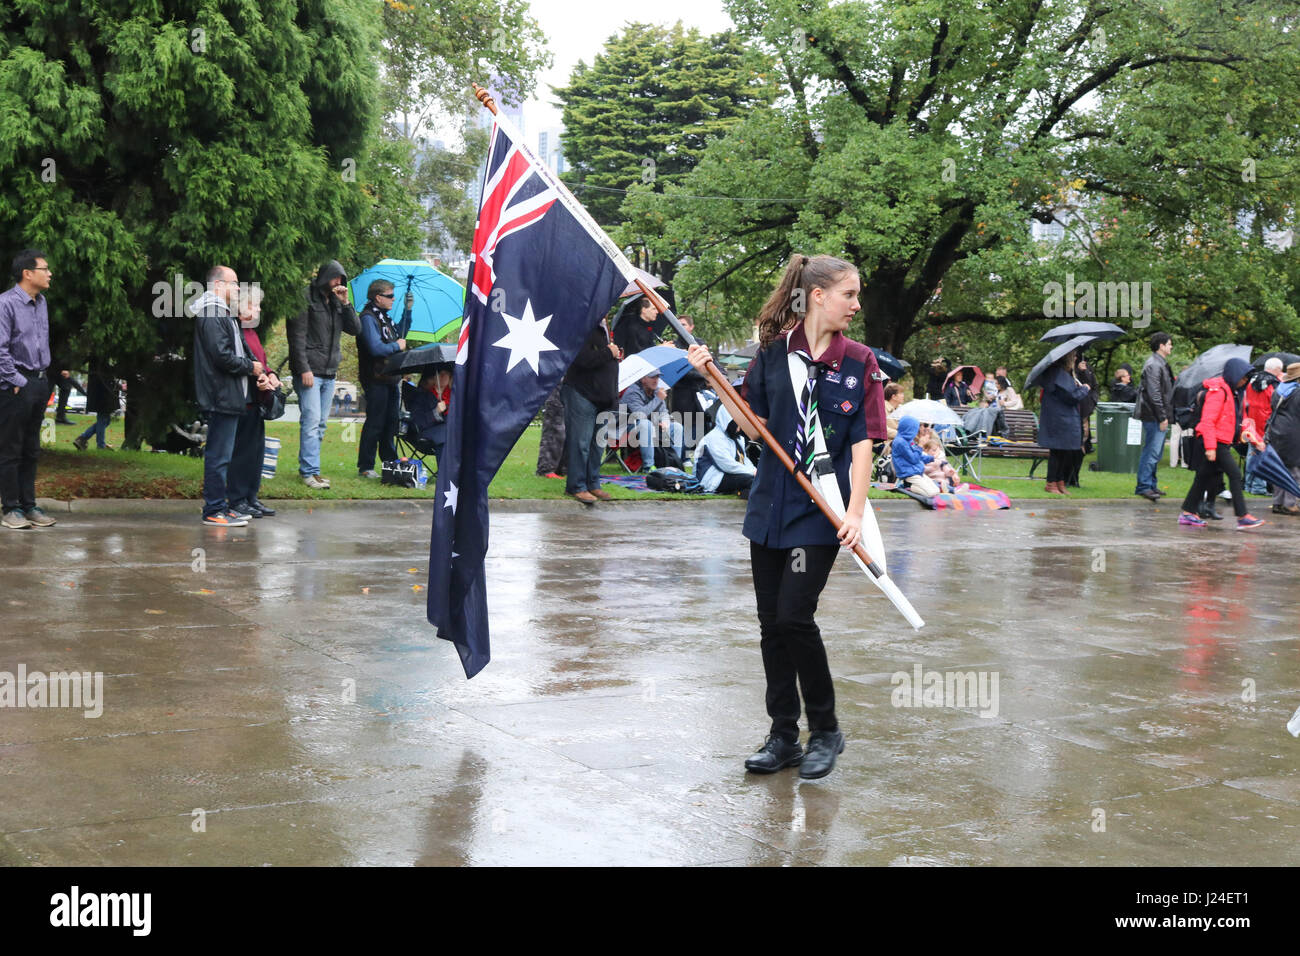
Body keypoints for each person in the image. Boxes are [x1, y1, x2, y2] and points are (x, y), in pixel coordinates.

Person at [685, 253, 887, 780]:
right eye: (849, 294)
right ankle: (782, 735)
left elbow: (864, 441)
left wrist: (857, 512)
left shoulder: (860, 361)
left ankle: (826, 730)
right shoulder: (774, 355)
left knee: (796, 617)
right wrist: (711, 378)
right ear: (818, 295)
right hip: (769, 506)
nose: (856, 305)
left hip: (821, 510)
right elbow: (755, 430)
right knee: (772, 626)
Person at [191, 265, 260, 527]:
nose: (238, 288)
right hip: (220, 395)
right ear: (218, 285)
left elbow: (240, 349)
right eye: (234, 283)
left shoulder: (223, 313)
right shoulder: (211, 312)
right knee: (218, 457)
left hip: (230, 395)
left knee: (225, 455)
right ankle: (213, 510)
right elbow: (221, 356)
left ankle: (222, 506)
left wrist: (257, 370)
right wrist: (248, 367)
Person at [287, 260, 359, 489]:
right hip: (310, 371)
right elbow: (296, 337)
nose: (339, 283)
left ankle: (312, 470)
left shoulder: (337, 302)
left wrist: (346, 304)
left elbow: (356, 329)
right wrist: (303, 369)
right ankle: (309, 472)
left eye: (342, 280)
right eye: (336, 278)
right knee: (310, 421)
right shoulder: (305, 297)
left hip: (329, 371)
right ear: (326, 276)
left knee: (320, 424)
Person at [0, 249, 56, 529]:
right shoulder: (6, 304)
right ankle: (11, 508)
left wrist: (41, 381)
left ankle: (29, 505)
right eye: (44, 269)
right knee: (11, 448)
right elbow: (0, 350)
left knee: (31, 448)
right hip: (15, 384)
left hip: (39, 381)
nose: (49, 274)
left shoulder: (42, 302)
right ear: (27, 273)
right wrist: (18, 381)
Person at [1178, 357, 1264, 529]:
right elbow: (1207, 421)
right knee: (1234, 474)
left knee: (1202, 478)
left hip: (1220, 442)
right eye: (1243, 377)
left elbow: (1242, 420)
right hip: (1214, 442)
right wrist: (1210, 447)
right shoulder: (1219, 392)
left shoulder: (1233, 393)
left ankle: (1187, 513)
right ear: (1234, 374)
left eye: (1247, 378)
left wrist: (1256, 440)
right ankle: (1242, 516)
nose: (1245, 381)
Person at [227, 287, 279, 519]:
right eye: (254, 305)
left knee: (256, 452)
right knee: (242, 453)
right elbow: (241, 362)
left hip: (258, 400)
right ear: (241, 309)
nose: (258, 309)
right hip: (244, 400)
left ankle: (251, 496)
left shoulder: (251, 332)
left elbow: (260, 360)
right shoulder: (236, 331)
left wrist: (271, 373)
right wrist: (258, 376)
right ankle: (237, 499)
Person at [355, 279, 409, 478]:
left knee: (391, 422)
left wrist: (408, 310)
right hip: (375, 378)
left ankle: (390, 463)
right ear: (378, 297)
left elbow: (400, 333)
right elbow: (376, 348)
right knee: (376, 422)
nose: (393, 299)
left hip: (390, 378)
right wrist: (397, 347)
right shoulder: (368, 318)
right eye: (389, 296)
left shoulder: (385, 317)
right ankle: (366, 466)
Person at [562, 321, 619, 504]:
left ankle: (593, 483)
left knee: (597, 444)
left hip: (603, 396)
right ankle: (577, 486)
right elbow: (581, 358)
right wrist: (609, 353)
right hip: (582, 393)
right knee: (581, 443)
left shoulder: (605, 330)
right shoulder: (581, 325)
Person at [1037, 348, 1092, 496]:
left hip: (1060, 418)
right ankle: (1051, 482)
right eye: (1073, 356)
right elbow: (1071, 397)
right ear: (1065, 358)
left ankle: (1059, 481)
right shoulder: (1059, 374)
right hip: (1060, 418)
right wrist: (1084, 389)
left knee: (1063, 451)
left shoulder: (1060, 374)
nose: (1075, 359)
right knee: (1057, 452)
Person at [1133, 332, 1175, 501]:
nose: (1171, 347)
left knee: (1155, 452)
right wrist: (1162, 416)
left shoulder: (1160, 364)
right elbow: (1154, 394)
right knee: (1151, 451)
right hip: (1153, 415)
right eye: (1169, 344)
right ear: (1161, 346)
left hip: (1155, 414)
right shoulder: (1154, 365)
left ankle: (1151, 484)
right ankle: (1144, 486)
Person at [621, 372, 684, 472]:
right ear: (643, 379)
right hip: (626, 427)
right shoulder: (632, 392)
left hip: (651, 426)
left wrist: (665, 422)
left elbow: (664, 412)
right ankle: (649, 467)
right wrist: (658, 399)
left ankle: (675, 465)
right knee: (646, 425)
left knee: (677, 427)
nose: (656, 380)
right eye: (652, 377)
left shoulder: (656, 391)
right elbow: (640, 415)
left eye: (658, 377)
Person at [691, 404, 756, 496]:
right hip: (711, 479)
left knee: (757, 480)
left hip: (728, 474)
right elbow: (726, 465)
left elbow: (744, 460)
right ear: (727, 421)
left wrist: (755, 471)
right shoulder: (714, 437)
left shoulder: (738, 439)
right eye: (738, 422)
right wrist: (752, 472)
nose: (740, 426)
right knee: (750, 480)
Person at [1242, 358, 1281, 495]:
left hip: (1250, 423)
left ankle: (1248, 485)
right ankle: (1259, 487)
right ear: (1276, 369)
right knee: (1263, 456)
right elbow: (1276, 405)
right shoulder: (1274, 384)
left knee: (1251, 453)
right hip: (1266, 424)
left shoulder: (1251, 381)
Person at [1267, 363, 1300, 515]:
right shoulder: (1297, 393)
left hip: (1276, 431)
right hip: (1292, 433)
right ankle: (1289, 504)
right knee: (1293, 469)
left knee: (1278, 468)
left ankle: (1277, 503)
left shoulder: (1279, 390)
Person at [1067, 356, 1100, 486]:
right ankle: (1069, 477)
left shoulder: (1085, 368)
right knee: (1074, 446)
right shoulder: (1065, 372)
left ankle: (1074, 477)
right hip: (1072, 414)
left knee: (1082, 444)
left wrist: (1083, 372)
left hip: (1083, 411)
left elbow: (1092, 386)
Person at [72, 366, 118, 451]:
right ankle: (100, 445)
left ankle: (82, 438)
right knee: (103, 419)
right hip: (102, 390)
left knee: (105, 420)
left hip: (101, 388)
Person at [892, 416, 938, 495]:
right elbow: (914, 459)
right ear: (909, 428)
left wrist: (931, 458)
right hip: (908, 474)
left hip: (917, 472)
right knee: (931, 493)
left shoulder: (909, 440)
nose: (917, 431)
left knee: (936, 490)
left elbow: (918, 456)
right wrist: (920, 445)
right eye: (915, 428)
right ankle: (907, 486)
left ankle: (912, 486)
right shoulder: (899, 442)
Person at [535, 386, 566, 478]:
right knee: (554, 425)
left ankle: (562, 468)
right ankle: (546, 468)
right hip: (558, 386)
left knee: (567, 427)